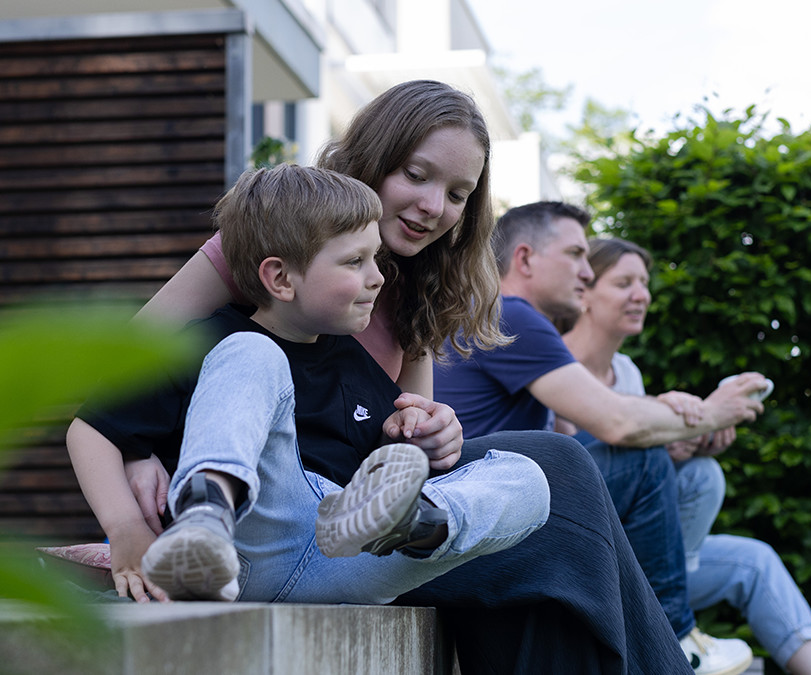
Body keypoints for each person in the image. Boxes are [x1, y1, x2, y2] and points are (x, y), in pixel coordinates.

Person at [123, 80, 692, 674]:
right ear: (373, 158)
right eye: (415, 175)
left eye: (457, 193)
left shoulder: (422, 284)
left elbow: (407, 433)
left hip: (362, 526)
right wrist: (134, 454)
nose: (433, 207)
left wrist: (433, 431)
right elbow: (121, 367)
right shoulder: (280, 239)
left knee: (545, 517)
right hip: (257, 511)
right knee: (564, 477)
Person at [67, 164, 548, 605]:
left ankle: (413, 524)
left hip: (347, 561)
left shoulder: (360, 368)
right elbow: (90, 430)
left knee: (528, 479)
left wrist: (407, 434)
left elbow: (386, 464)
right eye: (354, 261)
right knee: (252, 353)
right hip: (243, 542)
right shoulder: (209, 342)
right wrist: (126, 526)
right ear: (280, 278)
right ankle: (204, 520)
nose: (376, 278)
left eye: (375, 259)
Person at [434, 200, 771, 675]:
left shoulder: (497, 316)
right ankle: (675, 637)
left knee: (658, 464)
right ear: (525, 259)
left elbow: (578, 428)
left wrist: (665, 413)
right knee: (643, 463)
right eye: (576, 254)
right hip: (490, 514)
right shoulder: (510, 314)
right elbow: (617, 424)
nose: (587, 273)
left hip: (485, 505)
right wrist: (714, 412)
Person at [562, 237, 811, 675]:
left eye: (644, 282)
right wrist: (699, 418)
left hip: (644, 547)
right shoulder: (557, 368)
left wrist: (679, 447)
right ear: (585, 292)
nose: (642, 294)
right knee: (697, 477)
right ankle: (671, 633)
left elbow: (639, 472)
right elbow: (578, 461)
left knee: (749, 552)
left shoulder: (629, 372)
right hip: (587, 551)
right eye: (624, 283)